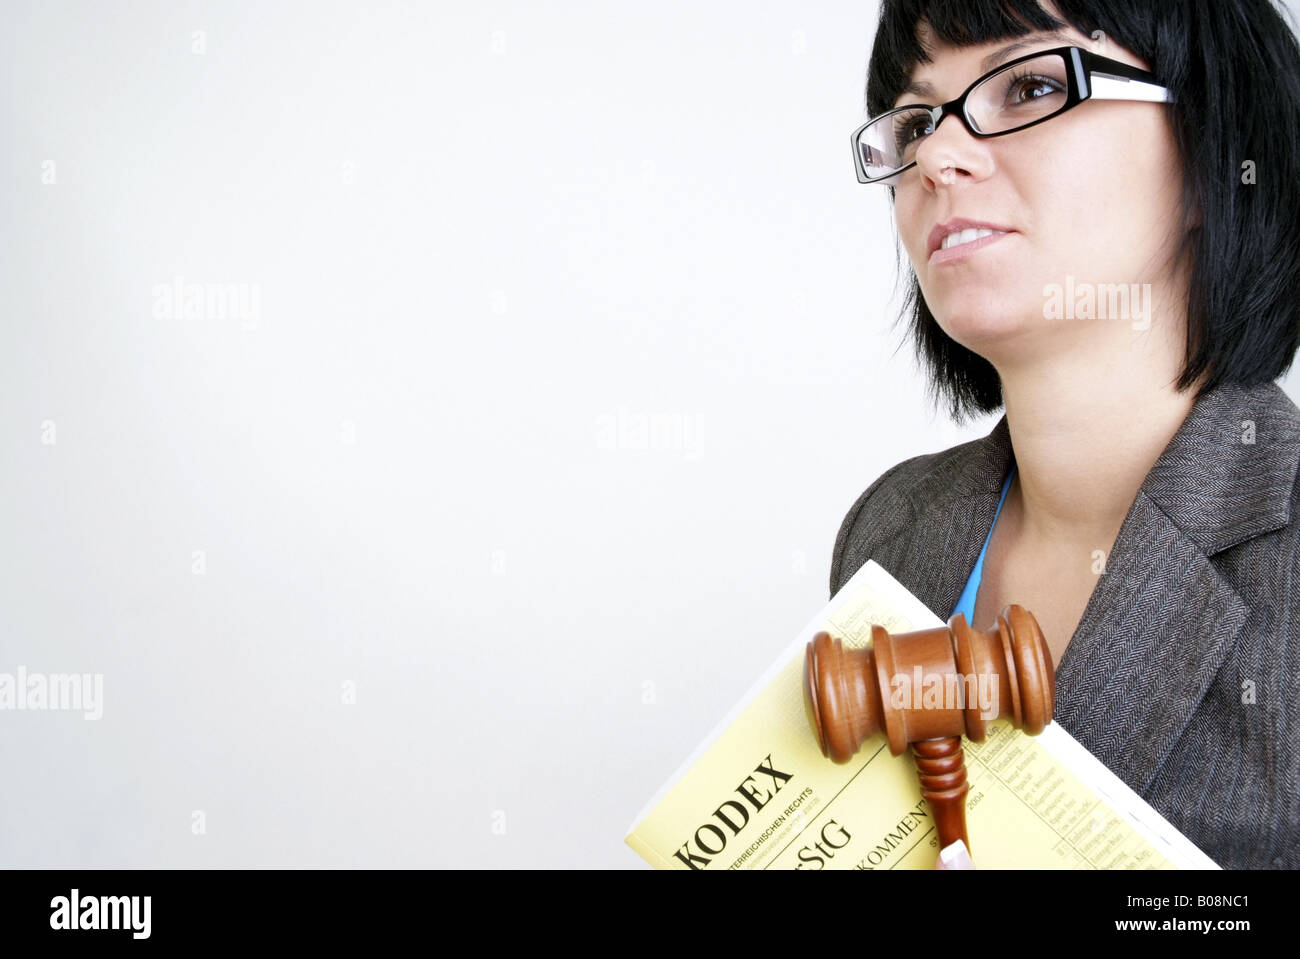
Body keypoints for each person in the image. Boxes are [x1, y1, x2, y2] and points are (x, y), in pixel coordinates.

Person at [834, 0, 1300, 869]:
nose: (936, 155)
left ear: (1210, 152)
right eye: (915, 119)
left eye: (1030, 85)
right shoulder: (887, 528)